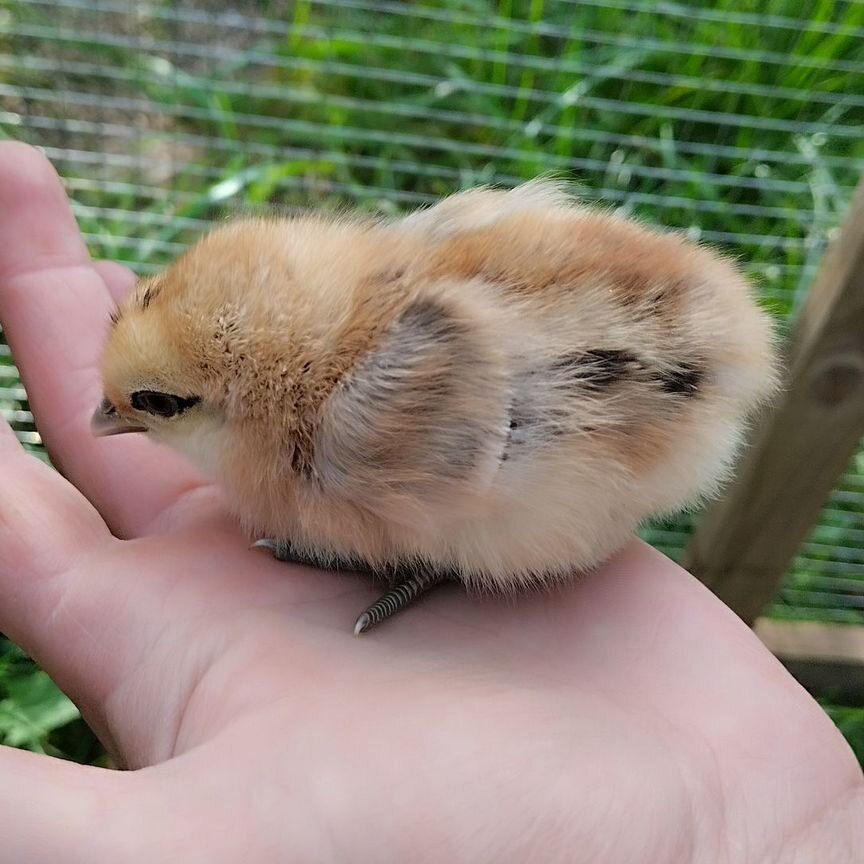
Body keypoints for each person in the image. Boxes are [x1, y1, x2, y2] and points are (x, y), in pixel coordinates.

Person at [0, 141, 860, 863]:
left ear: (237, 405)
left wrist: (421, 556)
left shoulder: (352, 429)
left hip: (655, 394)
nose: (109, 420)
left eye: (153, 405)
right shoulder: (370, 267)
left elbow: (612, 401)